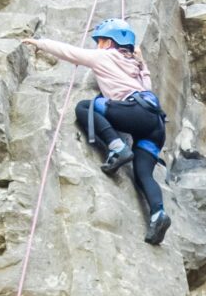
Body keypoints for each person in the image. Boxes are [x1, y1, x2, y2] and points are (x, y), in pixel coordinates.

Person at [25, 20, 171, 246]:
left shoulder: (104, 57)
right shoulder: (135, 64)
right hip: (156, 125)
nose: (98, 45)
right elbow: (147, 87)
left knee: (86, 107)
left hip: (135, 112)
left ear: (110, 42)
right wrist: (142, 63)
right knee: (143, 175)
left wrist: (39, 43)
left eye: (101, 40)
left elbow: (71, 53)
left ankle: (117, 148)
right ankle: (158, 214)